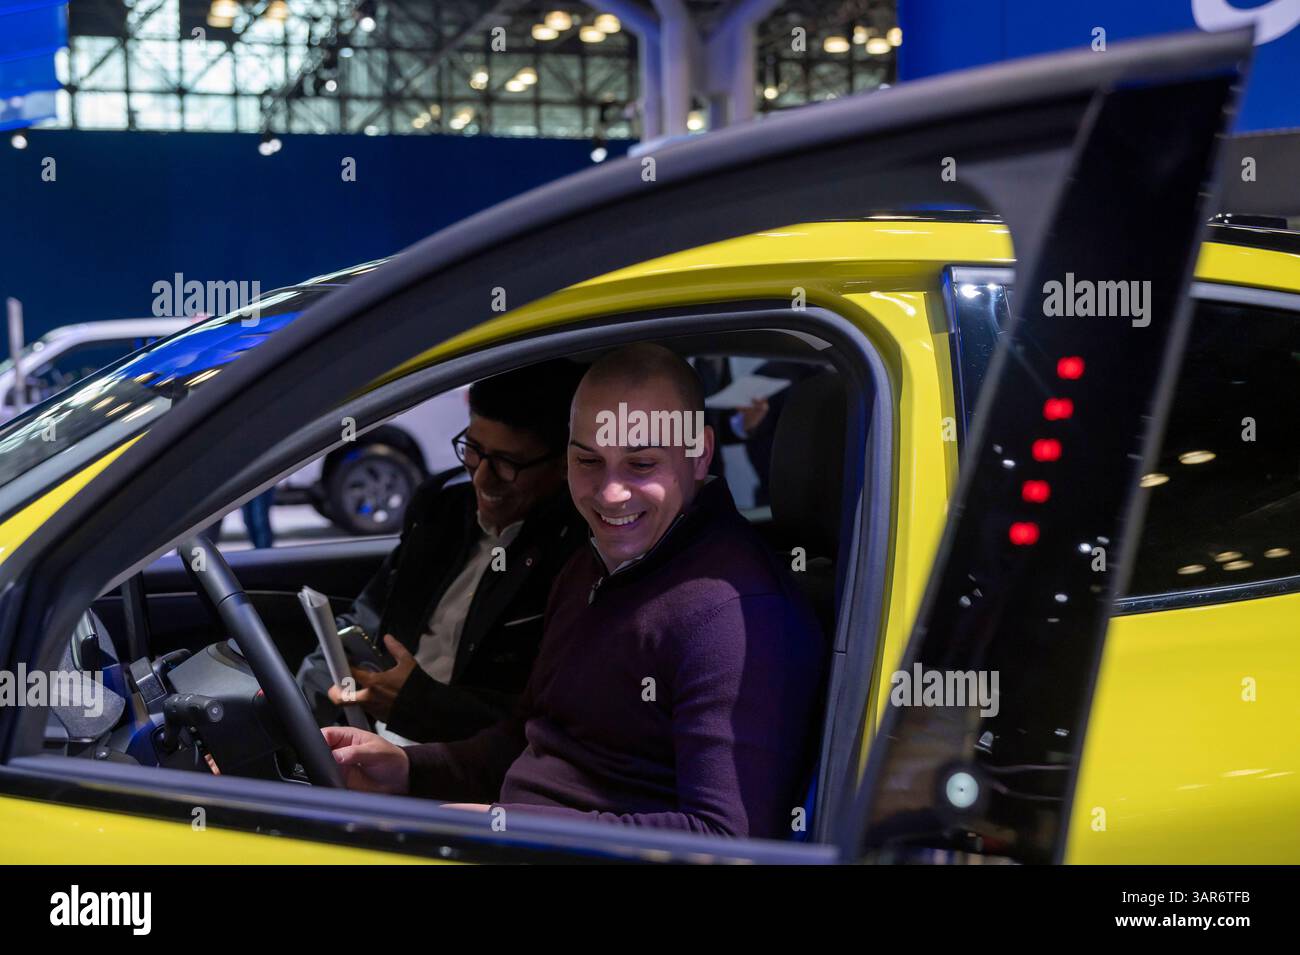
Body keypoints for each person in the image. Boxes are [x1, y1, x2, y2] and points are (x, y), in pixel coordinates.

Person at [322, 344, 826, 839]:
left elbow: (725, 842)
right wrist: (409, 768)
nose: (609, 494)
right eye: (588, 461)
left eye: (641, 464)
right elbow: (528, 740)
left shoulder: (737, 613)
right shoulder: (592, 564)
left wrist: (516, 827)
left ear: (699, 455)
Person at [296, 360, 587, 744]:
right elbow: (371, 615)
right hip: (377, 734)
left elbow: (549, 721)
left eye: (507, 462)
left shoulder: (580, 552)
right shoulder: (442, 509)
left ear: (565, 464)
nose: (482, 476)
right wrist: (299, 706)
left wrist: (420, 705)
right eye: (474, 450)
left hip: (466, 768)